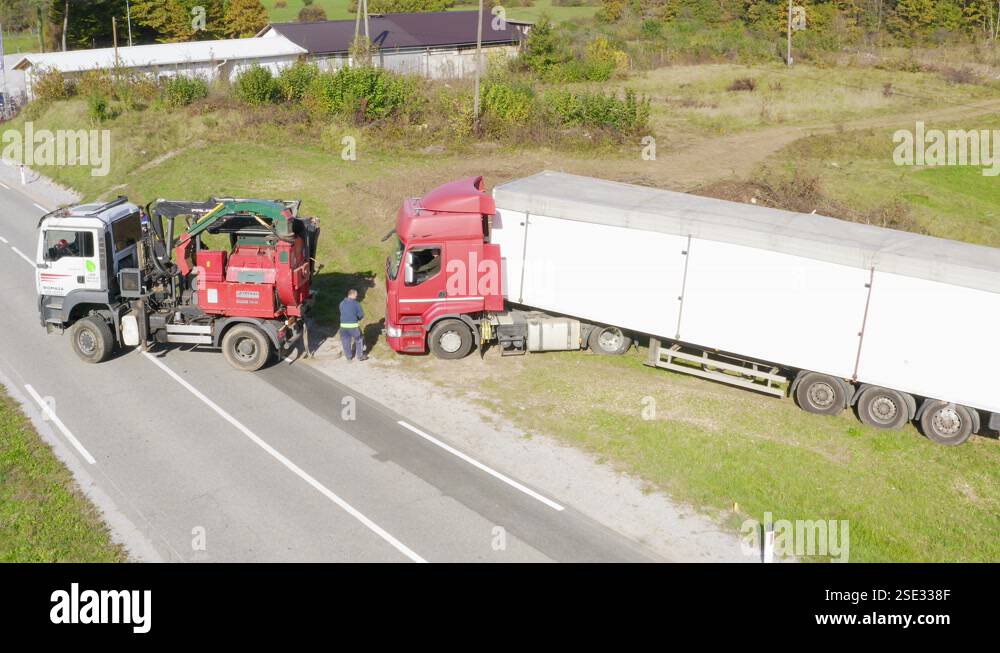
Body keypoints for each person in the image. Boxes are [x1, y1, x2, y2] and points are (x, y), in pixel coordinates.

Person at [339, 289, 367, 362]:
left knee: (345, 341)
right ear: (352, 294)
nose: (356, 296)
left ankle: (348, 357)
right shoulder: (356, 304)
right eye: (356, 295)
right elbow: (361, 315)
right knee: (359, 339)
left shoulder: (341, 303)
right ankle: (360, 356)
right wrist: (358, 318)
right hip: (353, 326)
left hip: (343, 327)